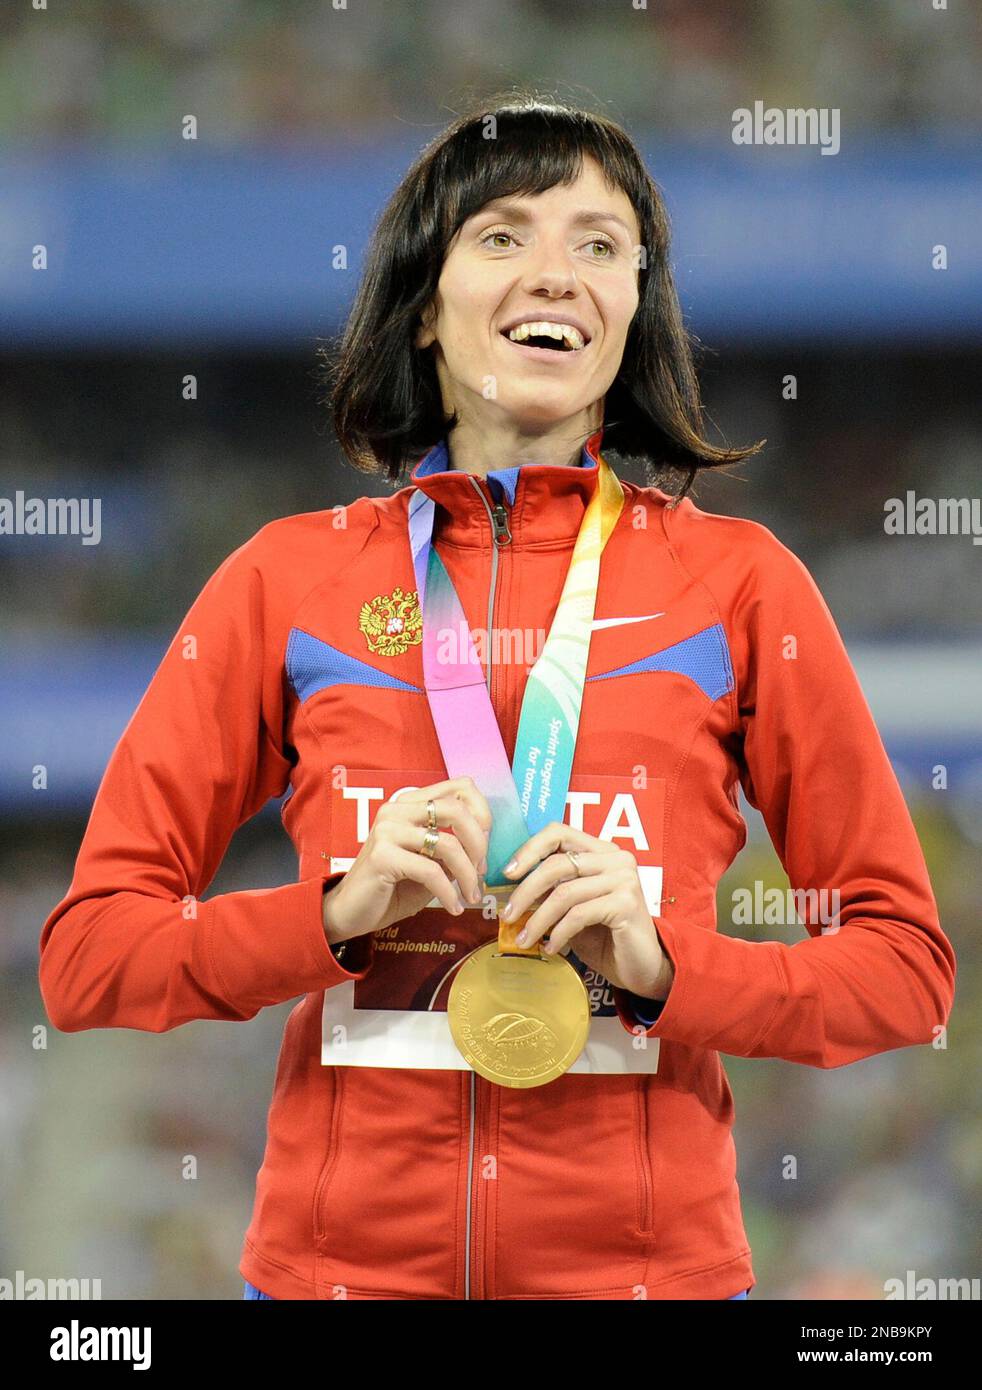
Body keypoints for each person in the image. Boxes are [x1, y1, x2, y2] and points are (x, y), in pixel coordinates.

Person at [39, 93, 955, 1302]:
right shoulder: (285, 580)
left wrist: (667, 964)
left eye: (600, 244)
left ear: (634, 306)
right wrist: (327, 914)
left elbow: (902, 972)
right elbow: (90, 959)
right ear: (424, 305)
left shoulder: (740, 588)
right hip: (334, 1282)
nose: (558, 273)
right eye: (504, 235)